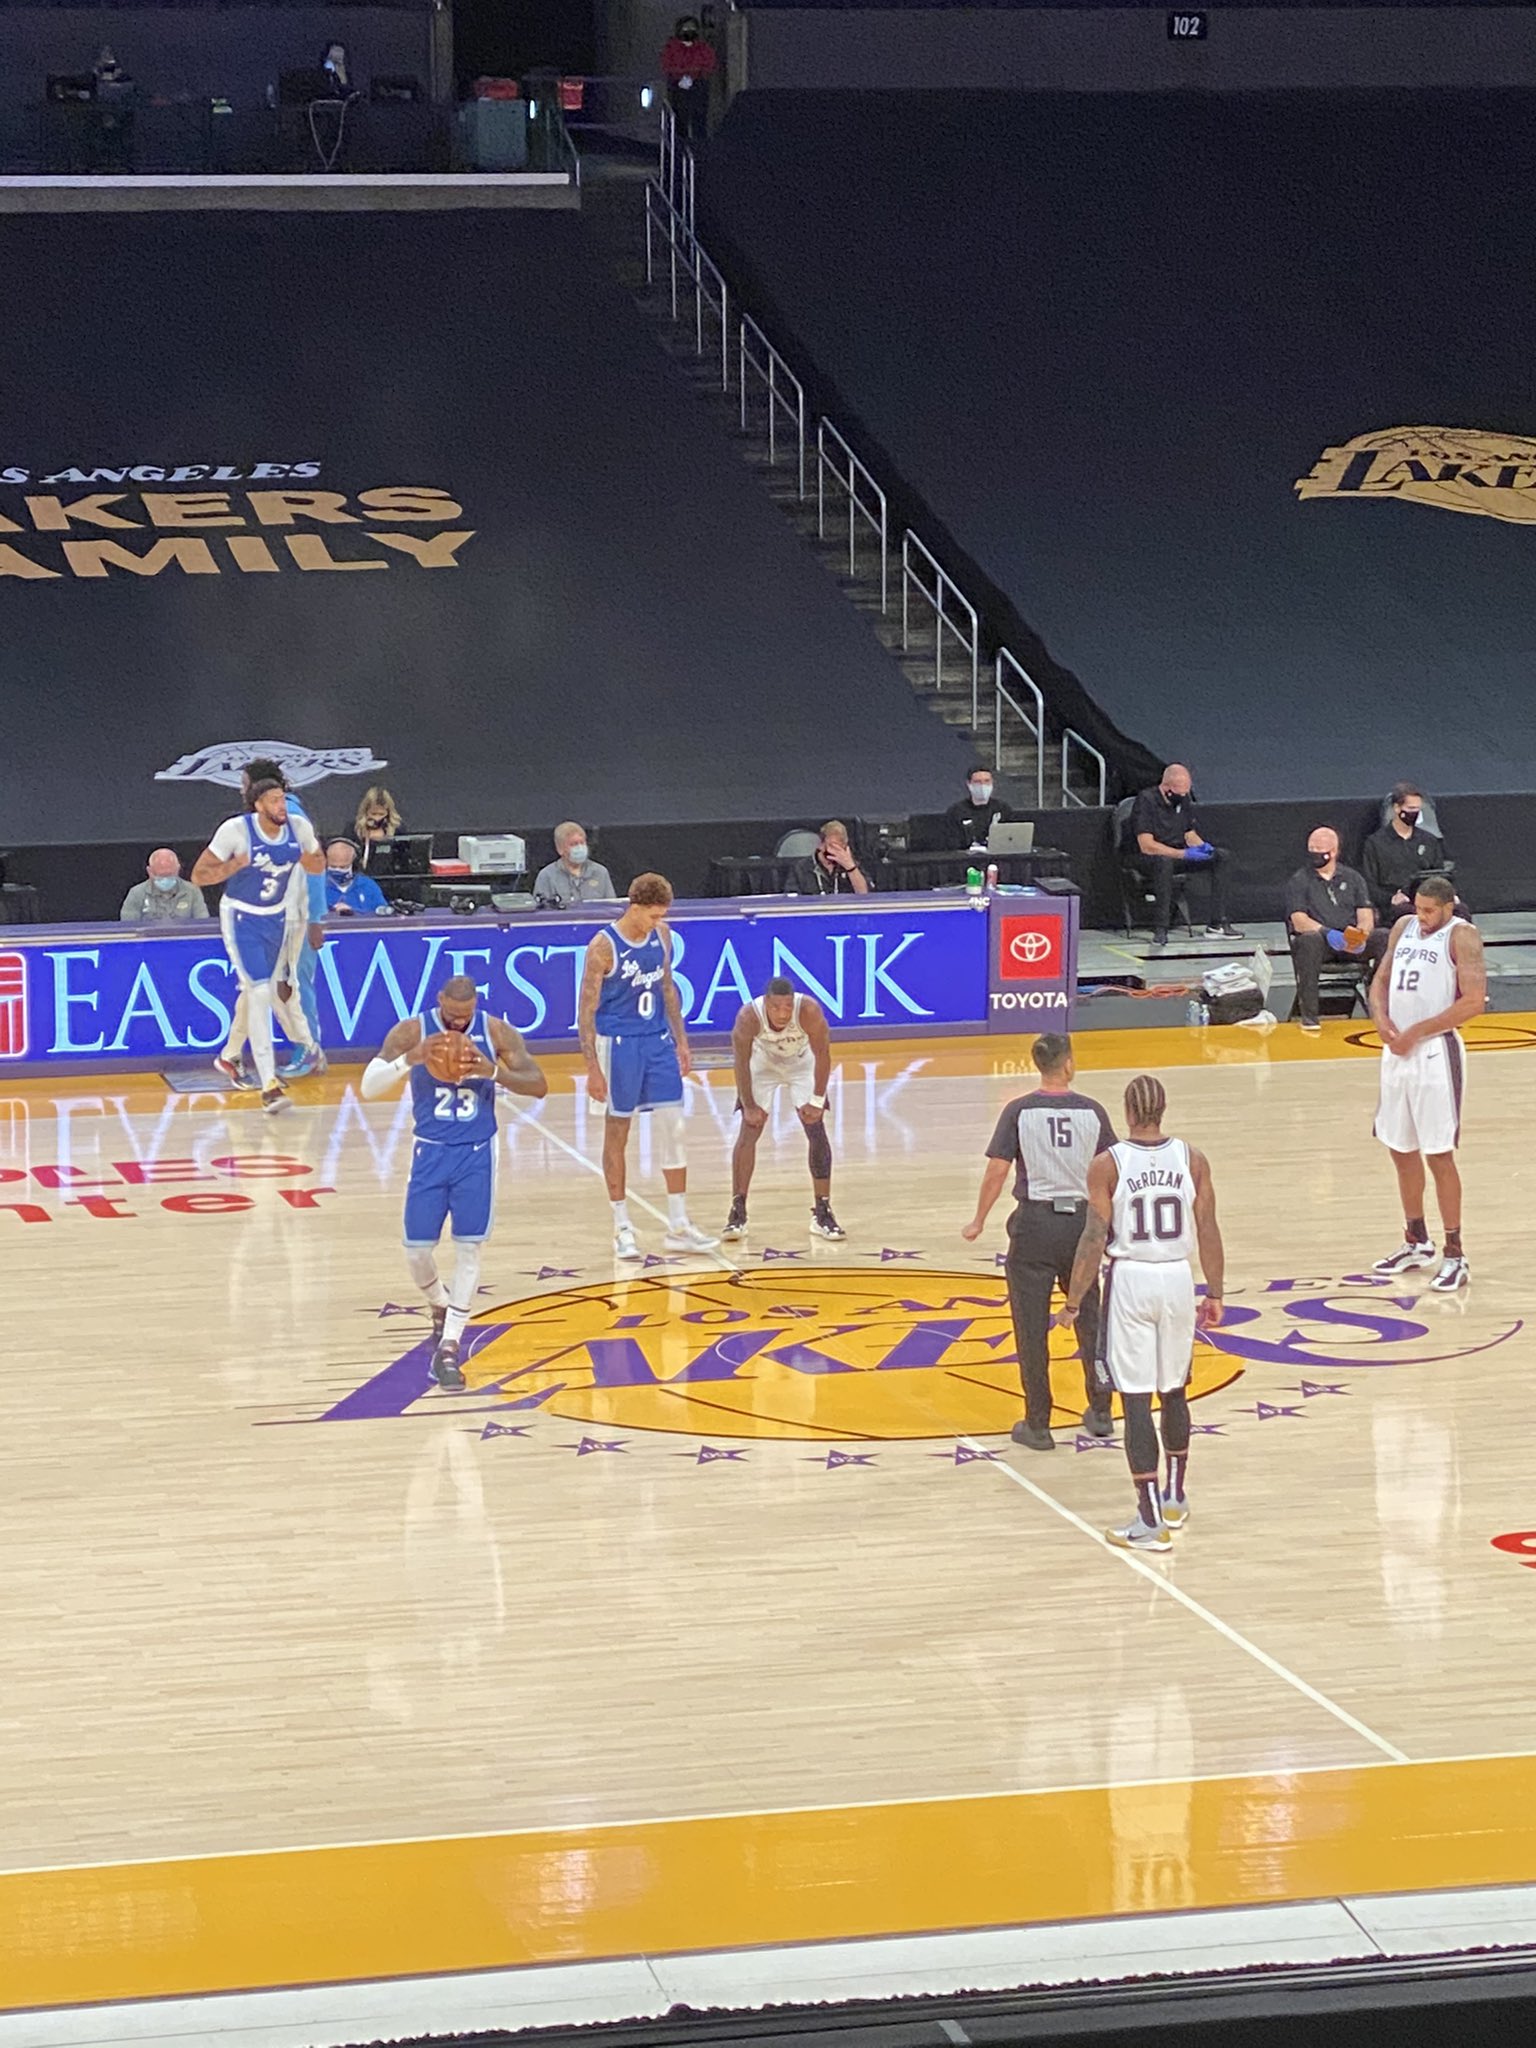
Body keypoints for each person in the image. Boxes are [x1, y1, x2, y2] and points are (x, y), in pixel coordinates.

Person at [1057, 1075, 1225, 1553]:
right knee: (1174, 1389)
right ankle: (1175, 1495)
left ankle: (1150, 1521)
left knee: (1134, 1398)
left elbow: (1093, 1238)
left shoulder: (1107, 1165)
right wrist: (1214, 1291)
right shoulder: (1192, 1159)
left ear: (1127, 1113)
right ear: (1163, 1109)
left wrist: (1073, 1301)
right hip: (1176, 1276)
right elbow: (1208, 1228)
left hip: (1131, 1278)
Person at [362, 975, 546, 1389]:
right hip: (429, 1151)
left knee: (469, 1249)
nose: (459, 1024)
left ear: (475, 1006)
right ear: (439, 1002)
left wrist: (492, 1071)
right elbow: (368, 1088)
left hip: (477, 1153)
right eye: (453, 1015)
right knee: (416, 1252)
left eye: (466, 1016)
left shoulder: (496, 1031)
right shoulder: (411, 1030)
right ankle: (439, 1303)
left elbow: (539, 1085)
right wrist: (410, 1059)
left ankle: (450, 1347)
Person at [961, 1033, 1115, 1449]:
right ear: (1068, 1065)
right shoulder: (1093, 1112)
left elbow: (997, 1170)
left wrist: (978, 1219)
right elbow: (1114, 1173)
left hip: (1035, 1223)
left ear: (1038, 1065)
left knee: (1030, 1328)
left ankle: (1038, 1422)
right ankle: (1101, 1411)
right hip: (1083, 1225)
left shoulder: (1019, 1111)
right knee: (1091, 1320)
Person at [578, 873, 718, 1260]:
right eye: (653, 916)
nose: (658, 922)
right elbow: (585, 1011)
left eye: (662, 916)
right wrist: (592, 1067)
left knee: (674, 1127)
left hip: (657, 1041)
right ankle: (622, 1226)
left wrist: (682, 1041)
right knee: (617, 1132)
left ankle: (679, 1225)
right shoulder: (603, 947)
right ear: (634, 907)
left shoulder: (664, 936)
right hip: (617, 1044)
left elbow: (667, 989)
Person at [1369, 875, 1485, 1293]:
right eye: (1418, 908)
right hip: (1396, 1051)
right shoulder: (1402, 927)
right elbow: (1380, 980)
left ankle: (1456, 1253)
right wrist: (1381, 1020)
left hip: (1436, 1052)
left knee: (1438, 1154)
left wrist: (1417, 1030)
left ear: (1448, 907)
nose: (1421, 915)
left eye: (1429, 910)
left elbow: (1474, 1001)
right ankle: (1416, 1241)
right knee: (1399, 1148)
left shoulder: (1463, 936)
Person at [193, 779, 324, 1116]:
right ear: (258, 805)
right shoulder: (236, 830)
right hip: (241, 917)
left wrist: (309, 863)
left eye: (283, 799)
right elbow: (199, 875)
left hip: (278, 918)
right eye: (275, 800)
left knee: (255, 994)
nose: (283, 805)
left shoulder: (298, 827)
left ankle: (229, 1055)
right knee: (262, 993)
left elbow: (317, 863)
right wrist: (232, 867)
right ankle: (269, 1084)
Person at [216, 758, 328, 1087]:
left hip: (293, 917)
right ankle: (231, 1054)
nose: (241, 788)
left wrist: (316, 918)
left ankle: (307, 1048)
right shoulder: (257, 822)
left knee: (286, 986)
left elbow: (314, 867)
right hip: (272, 916)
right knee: (258, 987)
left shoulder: (290, 815)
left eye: (244, 781)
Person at [723, 977, 844, 1242]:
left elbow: (823, 1054)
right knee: (750, 1129)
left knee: (815, 1128)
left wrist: (816, 1100)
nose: (782, 1013)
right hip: (763, 1065)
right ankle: (738, 1210)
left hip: (801, 1064)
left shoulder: (809, 1011)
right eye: (776, 1007)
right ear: (766, 1004)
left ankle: (822, 1211)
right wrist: (749, 1105)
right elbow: (741, 1064)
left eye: (787, 1007)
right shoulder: (748, 1017)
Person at [1285, 827, 1388, 1034]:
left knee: (1385, 937)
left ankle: (1381, 1002)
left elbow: (1366, 914)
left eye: (1319, 849)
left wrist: (1361, 934)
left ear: (1333, 852)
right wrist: (1327, 933)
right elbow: (1299, 920)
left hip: (1351, 939)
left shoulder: (1353, 878)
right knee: (1308, 941)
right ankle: (1310, 1016)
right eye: (1311, 849)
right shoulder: (1299, 880)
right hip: (1323, 942)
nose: (1314, 853)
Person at [1128, 763, 1242, 947]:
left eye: (1186, 792)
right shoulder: (1146, 800)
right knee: (1164, 862)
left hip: (1178, 853)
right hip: (1148, 857)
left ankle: (1217, 924)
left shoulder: (1183, 800)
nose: (1183, 796)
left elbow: (1189, 834)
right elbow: (1146, 845)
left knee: (1222, 856)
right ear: (1167, 789)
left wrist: (1205, 848)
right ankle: (1160, 928)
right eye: (1180, 793)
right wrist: (1182, 854)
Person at [1362, 784, 1452, 924]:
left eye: (1417, 809)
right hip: (1395, 904)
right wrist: (1390, 898)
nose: (1414, 813)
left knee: (1459, 910)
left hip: (1427, 899)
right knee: (1408, 913)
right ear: (1397, 808)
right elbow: (1369, 883)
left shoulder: (1429, 840)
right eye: (1410, 809)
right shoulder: (1375, 843)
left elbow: (1438, 875)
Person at [532, 822, 617, 910]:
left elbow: (612, 908)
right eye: (574, 844)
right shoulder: (547, 876)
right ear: (560, 849)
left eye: (582, 843)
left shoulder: (600, 872)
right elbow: (540, 911)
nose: (580, 848)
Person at [660, 14, 716, 147]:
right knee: (680, 121)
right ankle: (679, 151)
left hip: (698, 85)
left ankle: (700, 150)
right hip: (678, 86)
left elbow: (709, 64)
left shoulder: (703, 47)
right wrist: (680, 77)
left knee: (699, 120)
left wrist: (695, 75)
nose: (689, 31)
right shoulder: (671, 47)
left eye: (692, 28)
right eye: (685, 28)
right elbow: (667, 65)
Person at [120, 850, 207, 924]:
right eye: (161, 876)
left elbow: (203, 923)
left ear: (178, 869)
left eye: (170, 874)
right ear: (149, 871)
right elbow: (128, 926)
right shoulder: (136, 893)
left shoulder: (192, 891)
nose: (165, 879)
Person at [790, 821, 873, 897]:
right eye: (832, 846)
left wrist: (850, 867)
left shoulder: (853, 866)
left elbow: (864, 895)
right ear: (821, 844)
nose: (836, 852)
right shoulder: (801, 868)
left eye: (840, 847)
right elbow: (791, 898)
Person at [945, 765, 1011, 852]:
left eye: (987, 781)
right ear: (969, 784)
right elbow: (952, 844)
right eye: (977, 782)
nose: (983, 786)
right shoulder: (956, 811)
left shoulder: (1003, 808)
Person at [324, 838, 389, 916]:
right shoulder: (314, 887)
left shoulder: (368, 886)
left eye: (343, 867)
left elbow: (384, 916)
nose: (338, 870)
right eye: (333, 866)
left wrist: (353, 913)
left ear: (354, 864)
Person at [355, 788, 402, 870]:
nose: (377, 818)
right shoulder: (354, 829)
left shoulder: (398, 829)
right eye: (373, 814)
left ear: (388, 813)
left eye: (381, 814)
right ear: (366, 812)